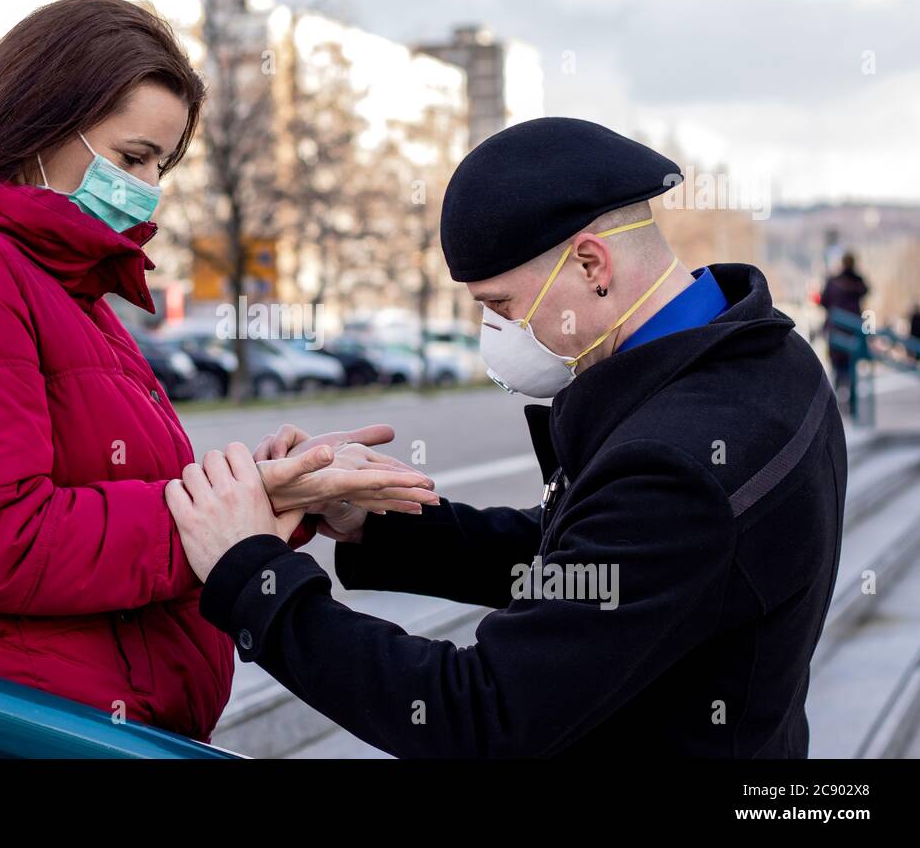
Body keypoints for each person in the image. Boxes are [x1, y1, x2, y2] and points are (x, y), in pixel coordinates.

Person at [0, 0, 435, 758]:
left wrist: (285, 492)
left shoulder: (69, 289)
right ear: (39, 123)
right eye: (132, 157)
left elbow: (116, 505)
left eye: (162, 164)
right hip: (13, 733)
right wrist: (243, 503)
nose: (149, 186)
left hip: (91, 730)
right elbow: (0, 545)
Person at [167, 117, 846, 758]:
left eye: (500, 305)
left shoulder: (677, 463)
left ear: (591, 266)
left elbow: (482, 715)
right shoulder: (764, 357)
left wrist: (254, 576)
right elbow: (598, 565)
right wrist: (378, 522)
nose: (496, 333)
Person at [819, 252, 870, 415]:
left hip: (835, 329)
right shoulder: (858, 282)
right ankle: (852, 405)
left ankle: (836, 404)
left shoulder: (833, 282)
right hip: (853, 329)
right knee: (851, 367)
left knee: (837, 368)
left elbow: (823, 301)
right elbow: (866, 291)